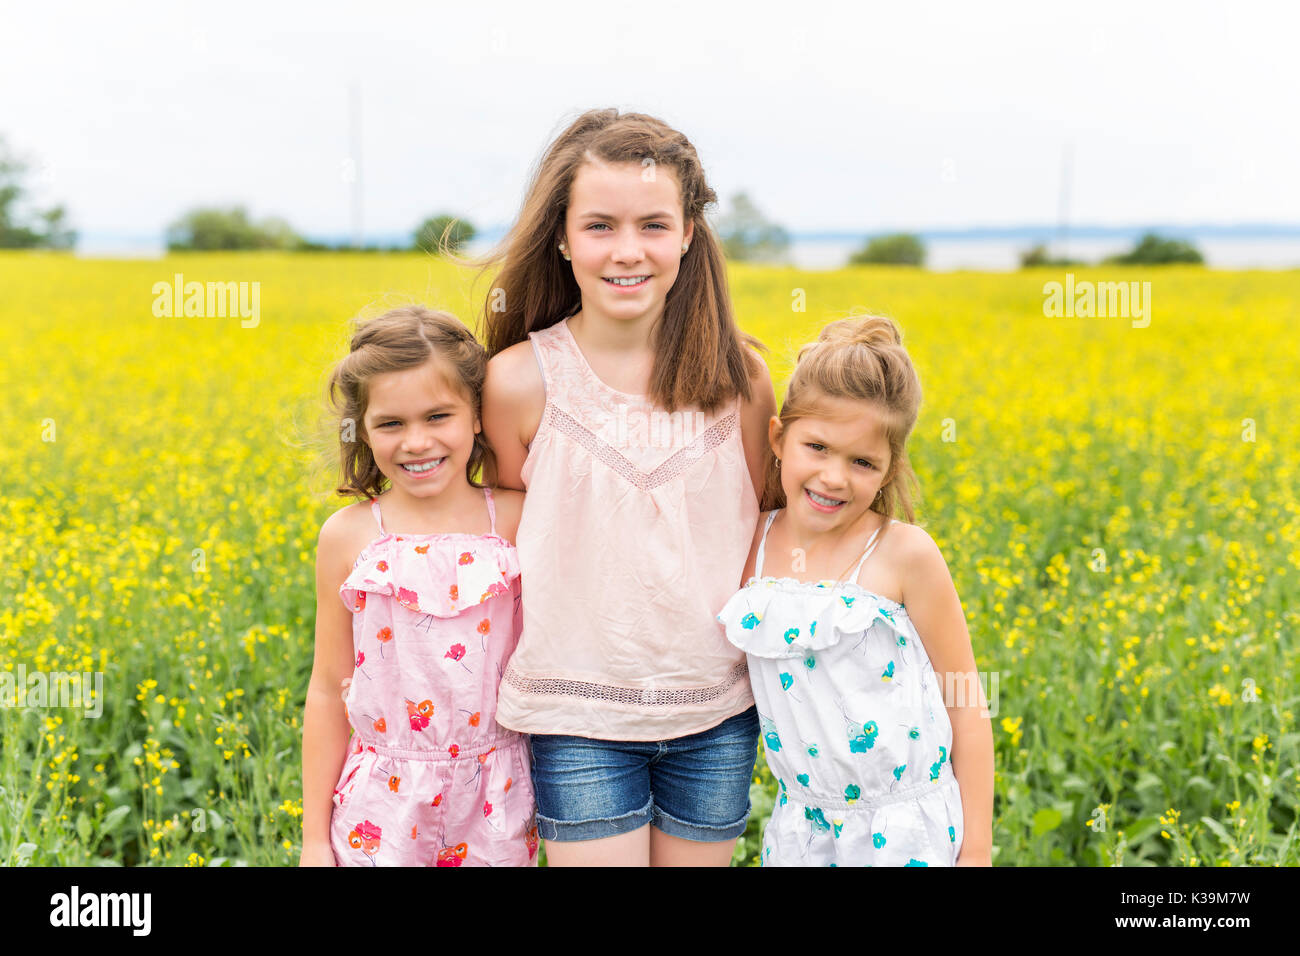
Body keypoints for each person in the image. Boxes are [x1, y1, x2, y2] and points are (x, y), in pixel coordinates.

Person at [479, 108, 778, 866]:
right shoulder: (518, 381)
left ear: (687, 234)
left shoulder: (740, 381)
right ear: (562, 236)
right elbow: (507, 539)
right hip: (576, 715)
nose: (626, 251)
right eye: (600, 226)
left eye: (652, 225)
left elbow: (770, 531)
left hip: (714, 712)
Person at [716, 315, 994, 866]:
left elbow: (967, 701)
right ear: (778, 438)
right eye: (817, 447)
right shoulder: (749, 543)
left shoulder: (905, 554)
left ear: (888, 472)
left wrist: (978, 849)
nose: (834, 477)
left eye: (862, 462)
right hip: (803, 832)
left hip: (910, 830)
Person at [300, 306, 537, 867]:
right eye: (390, 424)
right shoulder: (350, 535)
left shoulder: (515, 519)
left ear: (477, 416)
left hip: (496, 797)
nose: (416, 442)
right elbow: (328, 687)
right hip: (379, 804)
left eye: (438, 416)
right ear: (362, 429)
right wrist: (313, 841)